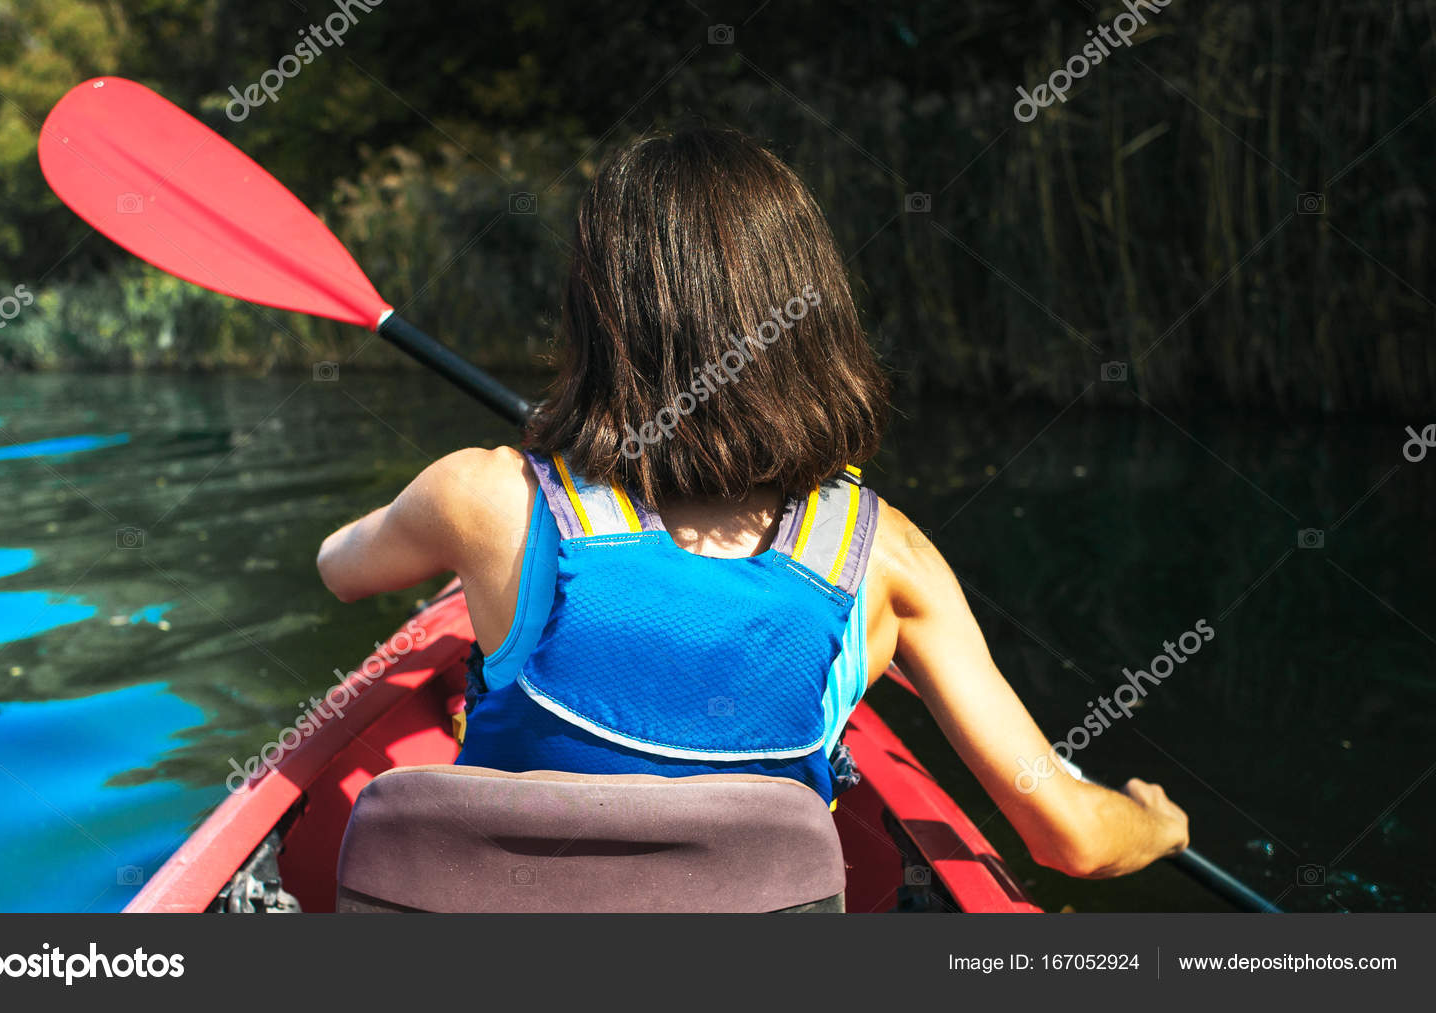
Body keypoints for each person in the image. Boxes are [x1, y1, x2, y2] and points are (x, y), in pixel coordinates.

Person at [316, 126, 1188, 879]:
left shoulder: (481, 495)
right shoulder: (888, 561)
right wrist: (1156, 820)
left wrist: (539, 459)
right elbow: (1072, 838)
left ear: (595, 318)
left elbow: (341, 568)